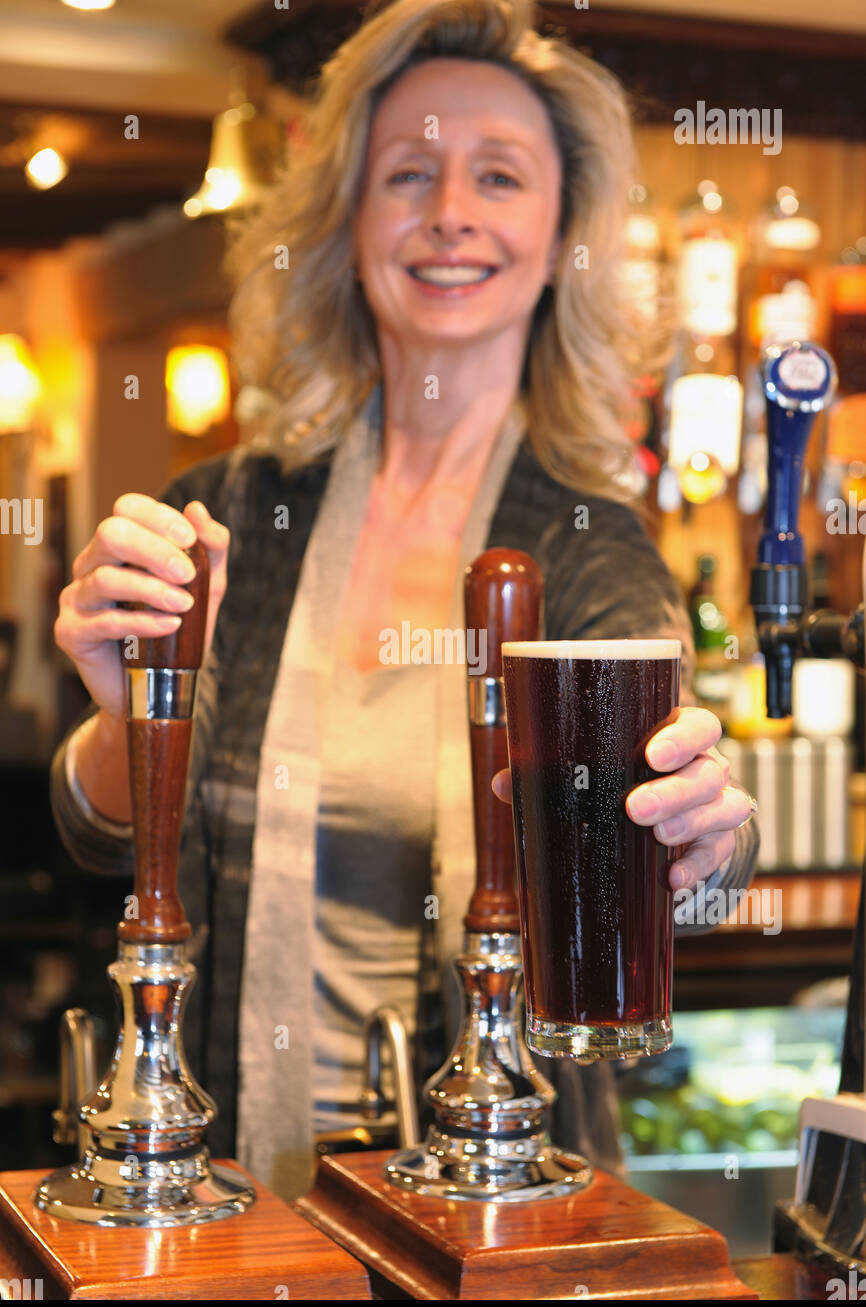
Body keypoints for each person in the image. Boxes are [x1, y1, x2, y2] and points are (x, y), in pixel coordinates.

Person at [51, 0, 759, 1201]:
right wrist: (125, 720)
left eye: (497, 175)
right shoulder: (231, 509)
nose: (448, 214)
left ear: (559, 235)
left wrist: (709, 836)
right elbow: (103, 835)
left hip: (497, 1210)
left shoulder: (586, 545)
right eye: (406, 172)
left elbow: (692, 837)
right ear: (343, 220)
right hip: (228, 1195)